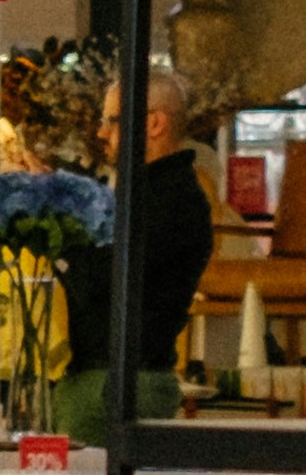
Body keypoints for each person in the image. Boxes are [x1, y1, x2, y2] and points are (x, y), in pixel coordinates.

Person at [60, 55, 220, 398]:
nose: (102, 132)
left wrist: (58, 225)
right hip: (114, 377)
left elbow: (97, 280)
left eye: (112, 121)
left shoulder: (169, 200)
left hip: (120, 386)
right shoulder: (145, 192)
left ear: (153, 124)